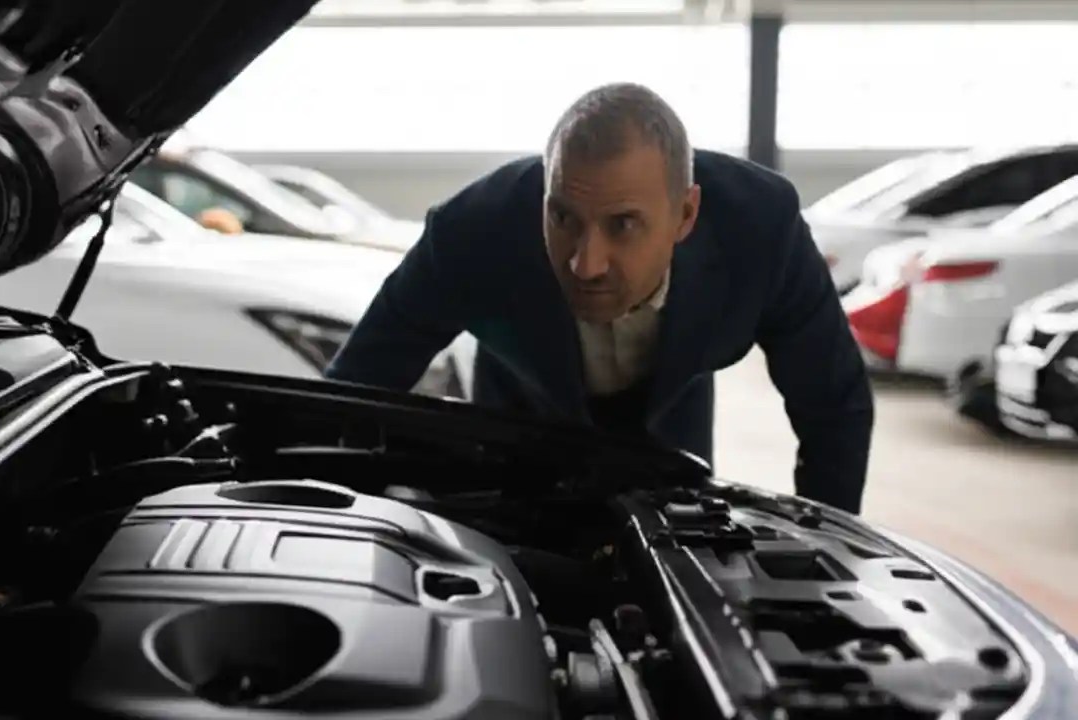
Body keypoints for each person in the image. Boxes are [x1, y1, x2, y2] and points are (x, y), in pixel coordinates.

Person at [324, 82, 874, 514]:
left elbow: (835, 406)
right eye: (562, 216)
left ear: (686, 214)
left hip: (669, 448)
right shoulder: (474, 231)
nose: (585, 264)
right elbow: (353, 388)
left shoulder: (762, 229)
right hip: (516, 442)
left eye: (624, 225)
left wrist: (823, 566)